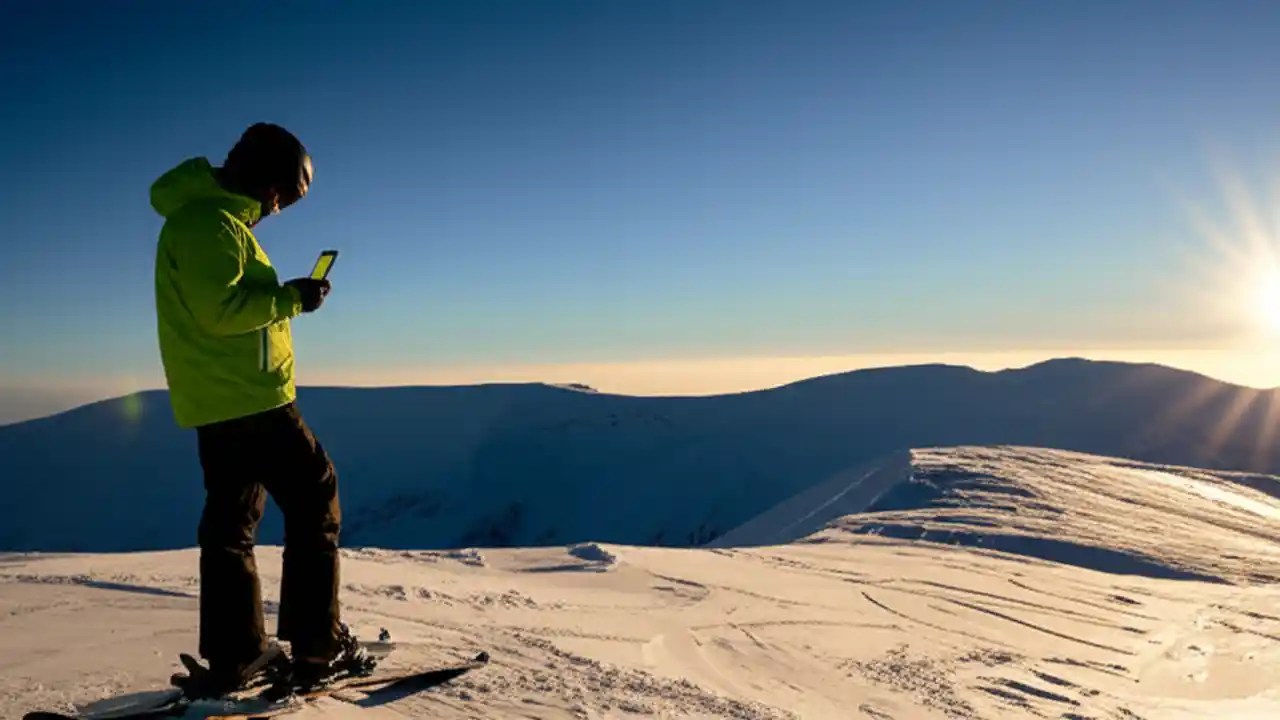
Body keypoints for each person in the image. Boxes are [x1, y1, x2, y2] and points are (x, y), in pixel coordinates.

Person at [150, 122, 355, 695]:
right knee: (316, 497)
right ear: (263, 179)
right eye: (283, 195)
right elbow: (221, 311)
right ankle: (318, 648)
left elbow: (220, 308)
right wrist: (292, 298)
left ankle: (237, 655)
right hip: (250, 399)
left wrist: (287, 298)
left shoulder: (208, 219)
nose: (279, 208)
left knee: (231, 525)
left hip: (220, 402)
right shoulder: (208, 224)